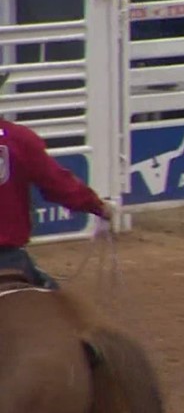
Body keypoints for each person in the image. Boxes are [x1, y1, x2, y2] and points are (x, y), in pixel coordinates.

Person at [0, 73, 112, 290]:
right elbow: (59, 185)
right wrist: (98, 206)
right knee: (56, 303)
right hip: (5, 254)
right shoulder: (19, 139)